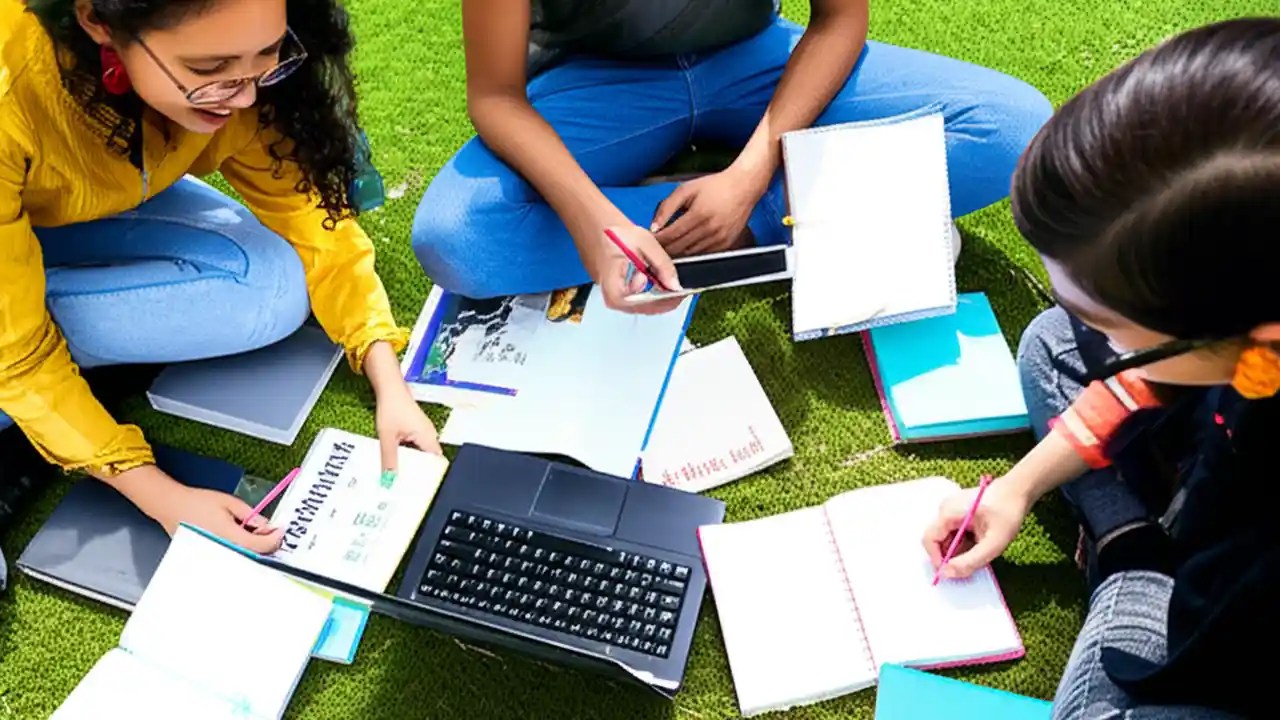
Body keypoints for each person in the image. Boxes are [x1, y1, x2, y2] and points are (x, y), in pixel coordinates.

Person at [922, 17, 1280, 719]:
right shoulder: (1248, 339)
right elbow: (1138, 375)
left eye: (1115, 328)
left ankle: (1130, 554)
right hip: (1221, 429)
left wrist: (1142, 582)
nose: (1104, 351)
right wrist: (1018, 488)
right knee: (1052, 345)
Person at [0, 0, 442, 558]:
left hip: (49, 213)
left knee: (272, 287)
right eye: (208, 71)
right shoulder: (11, 89)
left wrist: (387, 377)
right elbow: (14, 353)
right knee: (15, 349)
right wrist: (162, 497)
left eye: (267, 55)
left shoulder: (241, 80)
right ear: (97, 22)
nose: (247, 97)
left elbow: (310, 219)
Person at [411, 0, 1053, 312]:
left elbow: (839, 21)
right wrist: (599, 229)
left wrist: (750, 180)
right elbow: (496, 96)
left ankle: (751, 223)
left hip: (758, 61)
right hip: (597, 84)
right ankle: (838, 208)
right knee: (457, 238)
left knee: (1014, 131)